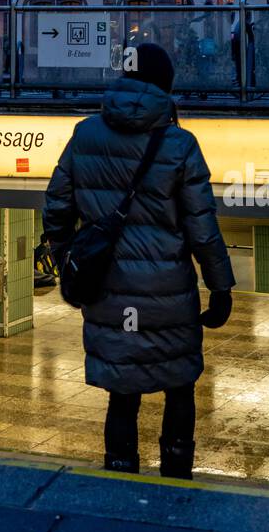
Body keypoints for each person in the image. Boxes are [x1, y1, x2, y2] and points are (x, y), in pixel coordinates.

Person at [43, 42, 234, 480]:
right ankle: (176, 475)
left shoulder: (86, 133)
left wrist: (67, 260)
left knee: (122, 394)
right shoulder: (180, 144)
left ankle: (120, 473)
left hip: (109, 291)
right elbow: (202, 225)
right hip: (170, 293)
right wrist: (220, 286)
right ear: (166, 86)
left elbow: (56, 207)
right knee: (179, 386)